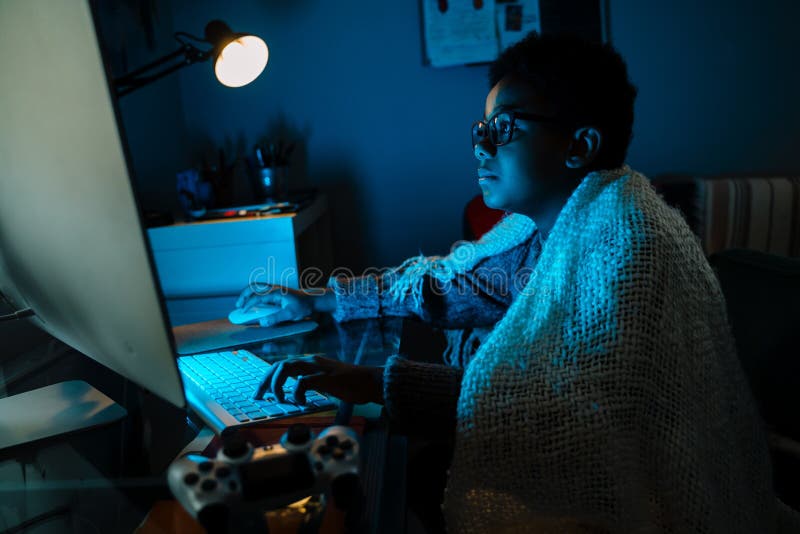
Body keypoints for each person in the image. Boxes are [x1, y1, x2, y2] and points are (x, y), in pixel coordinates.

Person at [237, 32, 799, 533]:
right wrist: (317, 296)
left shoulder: (626, 243)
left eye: (503, 127)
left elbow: (577, 419)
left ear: (579, 146)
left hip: (648, 509)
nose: (481, 146)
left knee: (371, 490)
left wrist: (374, 383)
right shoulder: (543, 231)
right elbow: (445, 284)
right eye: (481, 128)